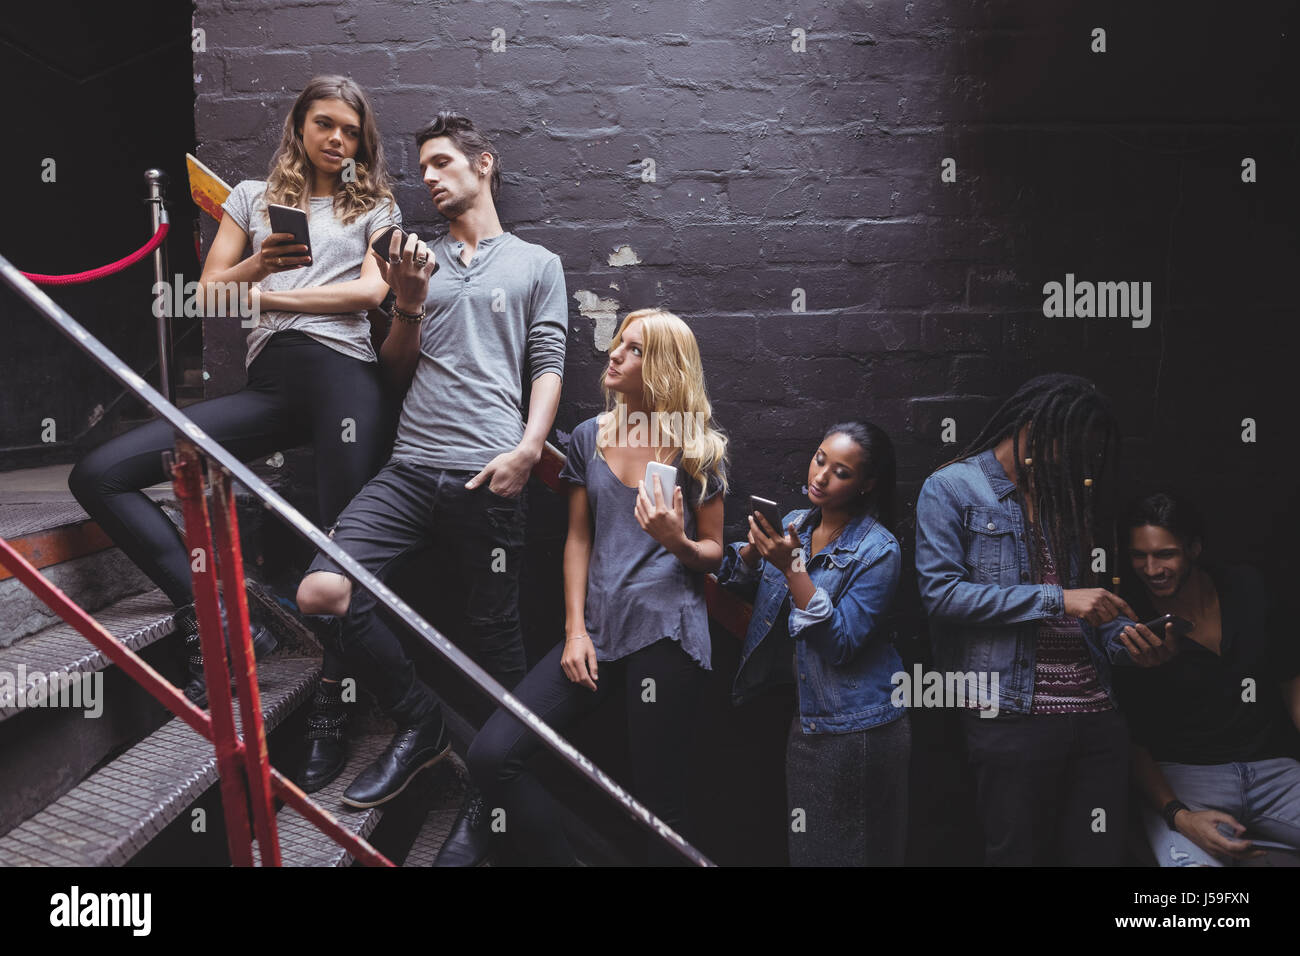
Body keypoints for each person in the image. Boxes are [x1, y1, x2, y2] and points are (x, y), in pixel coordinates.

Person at [68, 77, 401, 791]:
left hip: (348, 379)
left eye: (350, 130)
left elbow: (373, 293)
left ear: (361, 140)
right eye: (325, 124)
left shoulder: (374, 203)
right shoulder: (251, 196)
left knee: (340, 558)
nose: (337, 139)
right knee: (100, 473)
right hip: (271, 385)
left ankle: (329, 717)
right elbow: (211, 290)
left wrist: (269, 294)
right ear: (300, 125)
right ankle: (210, 611)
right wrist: (256, 267)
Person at [295, 112, 568, 815]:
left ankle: (491, 800)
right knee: (323, 591)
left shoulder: (537, 264)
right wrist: (408, 307)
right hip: (412, 467)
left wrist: (530, 447)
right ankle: (420, 725)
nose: (430, 179)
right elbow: (392, 377)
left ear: (484, 163)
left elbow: (547, 363)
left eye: (442, 163)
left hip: (492, 474)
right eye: (422, 171)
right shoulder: (413, 260)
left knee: (498, 644)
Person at [455, 308, 727, 866]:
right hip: (597, 628)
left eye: (632, 349)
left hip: (665, 634)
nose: (614, 354)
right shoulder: (588, 437)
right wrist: (575, 630)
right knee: (492, 754)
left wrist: (677, 541)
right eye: (618, 343)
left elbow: (714, 552)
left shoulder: (699, 449)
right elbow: (577, 539)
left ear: (663, 369)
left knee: (659, 808)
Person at [913, 373, 1156, 865]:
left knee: (1097, 855)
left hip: (1097, 713)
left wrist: (1126, 639)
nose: (1074, 464)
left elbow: (1088, 603)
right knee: (1017, 854)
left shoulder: (1064, 496)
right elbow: (942, 595)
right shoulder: (952, 488)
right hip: (1011, 713)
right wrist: (1058, 600)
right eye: (1065, 449)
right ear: (1031, 428)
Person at [718, 421, 908, 866]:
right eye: (820, 459)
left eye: (841, 472)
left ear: (867, 484)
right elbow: (734, 583)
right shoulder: (793, 525)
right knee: (812, 852)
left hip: (859, 724)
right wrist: (752, 552)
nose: (820, 476)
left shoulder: (880, 551)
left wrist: (792, 568)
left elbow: (840, 643)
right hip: (808, 718)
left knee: (856, 854)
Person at [1114, 491, 1300, 866]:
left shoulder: (1249, 589)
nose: (1151, 568)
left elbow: (1290, 680)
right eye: (1139, 555)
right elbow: (1128, 739)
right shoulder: (1127, 619)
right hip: (1185, 779)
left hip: (1274, 771)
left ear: (1194, 549)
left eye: (1165, 554)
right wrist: (1178, 816)